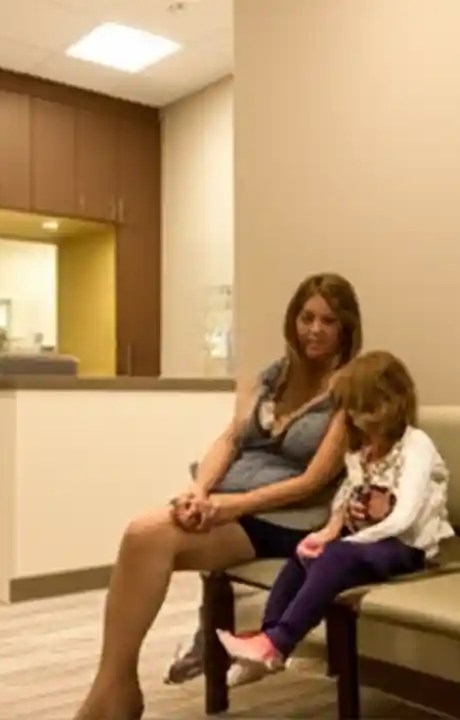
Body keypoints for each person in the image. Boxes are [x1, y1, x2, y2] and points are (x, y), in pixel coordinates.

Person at [74, 273, 363, 720]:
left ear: (346, 327)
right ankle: (115, 686)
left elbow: (312, 480)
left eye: (328, 320)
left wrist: (229, 506)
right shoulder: (273, 376)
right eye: (307, 317)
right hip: (227, 504)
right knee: (140, 535)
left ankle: (110, 700)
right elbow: (230, 440)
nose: (315, 329)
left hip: (286, 519)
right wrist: (198, 490)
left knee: (150, 535)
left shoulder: (350, 388)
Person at [215, 351, 453, 671]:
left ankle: (279, 642)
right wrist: (325, 533)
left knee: (333, 557)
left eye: (366, 408)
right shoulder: (362, 450)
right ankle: (269, 640)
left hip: (405, 548)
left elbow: (404, 517)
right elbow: (344, 497)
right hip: (364, 545)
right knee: (305, 553)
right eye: (352, 409)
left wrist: (346, 544)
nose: (357, 418)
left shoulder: (416, 445)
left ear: (395, 402)